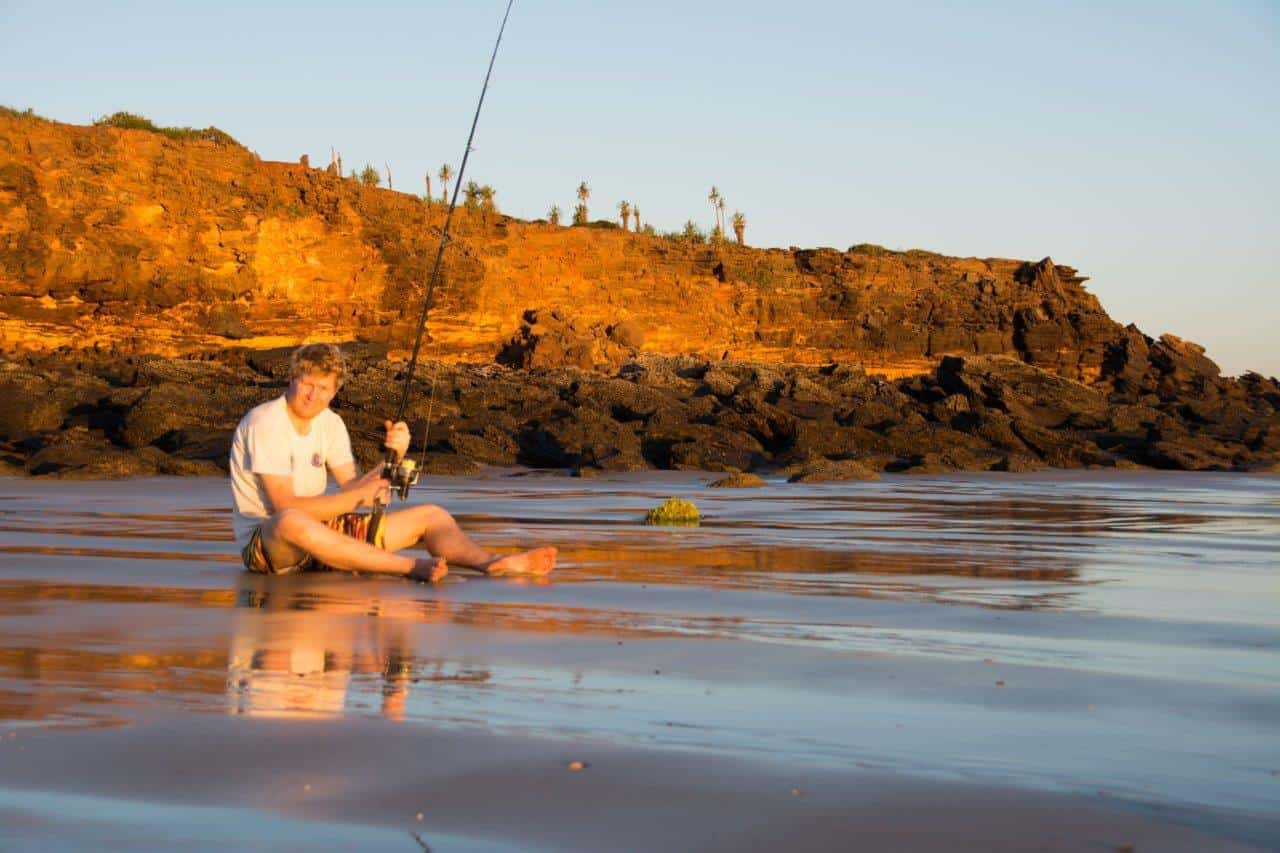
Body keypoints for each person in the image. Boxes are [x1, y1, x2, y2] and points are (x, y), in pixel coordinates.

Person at [229, 343, 556, 581]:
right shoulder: (266, 422)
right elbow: (283, 504)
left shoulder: (331, 423)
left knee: (432, 515)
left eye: (323, 388)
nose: (314, 395)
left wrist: (395, 456)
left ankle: (492, 562)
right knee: (289, 520)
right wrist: (358, 497)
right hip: (270, 546)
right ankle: (409, 568)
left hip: (323, 535)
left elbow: (354, 489)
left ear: (334, 392)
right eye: (308, 384)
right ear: (292, 380)